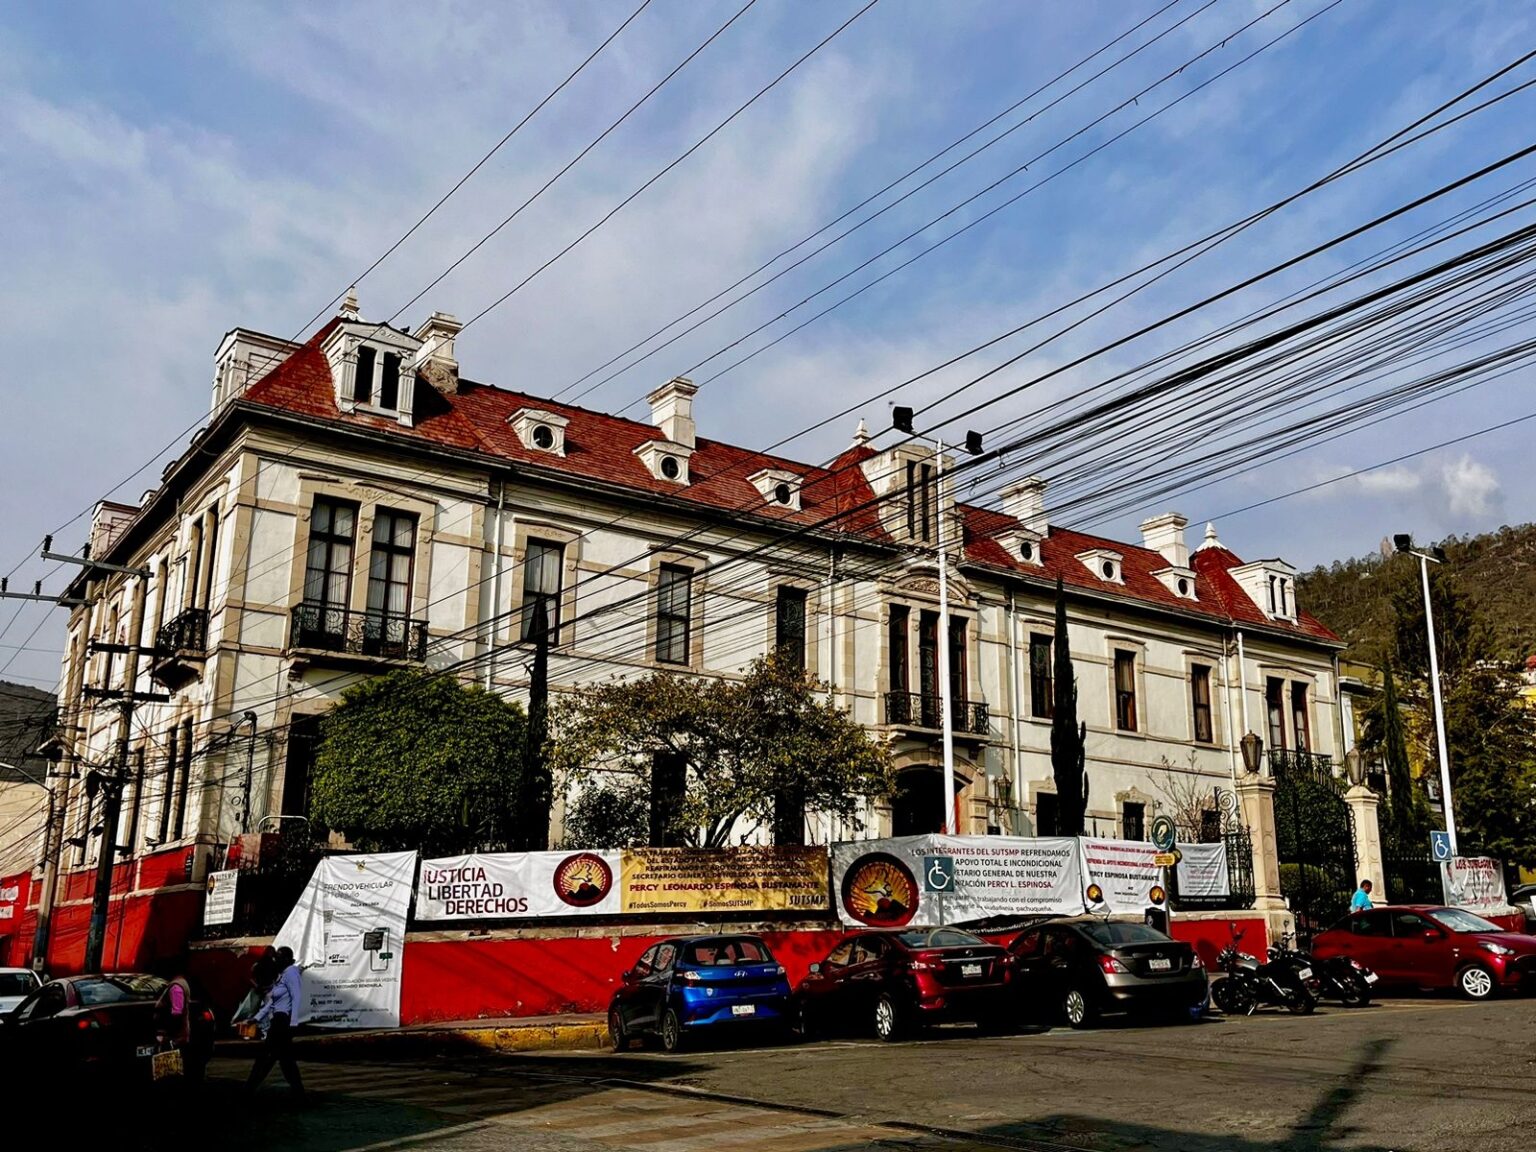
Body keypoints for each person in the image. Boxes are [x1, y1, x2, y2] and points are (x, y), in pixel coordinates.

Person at [246, 945, 304, 1097]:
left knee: (268, 1056)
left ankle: (250, 1087)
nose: (275, 960)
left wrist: (293, 1023)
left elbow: (296, 997)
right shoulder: (282, 975)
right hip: (279, 1021)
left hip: (283, 1021)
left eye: (278, 957)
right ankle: (299, 1092)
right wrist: (256, 1018)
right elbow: (272, 1002)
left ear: (285, 959)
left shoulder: (291, 973)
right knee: (284, 1059)